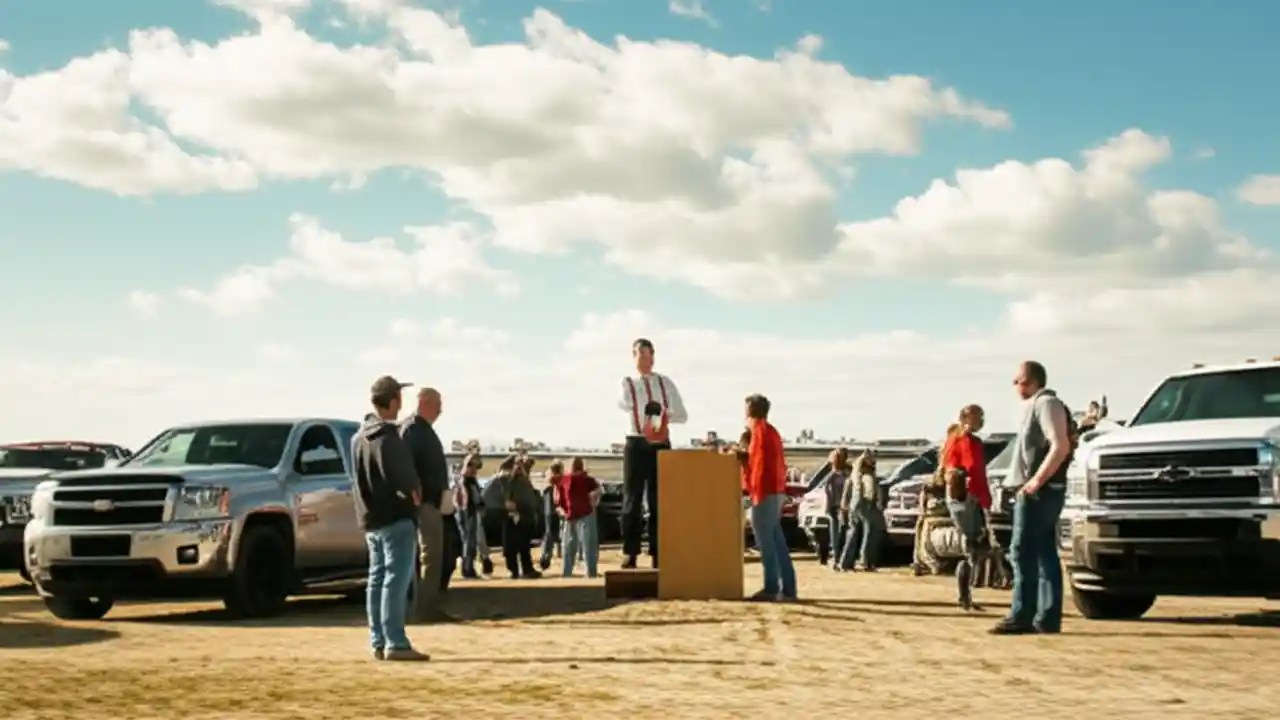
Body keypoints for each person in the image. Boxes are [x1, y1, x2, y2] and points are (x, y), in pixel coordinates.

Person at [991, 361, 1073, 635]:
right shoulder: (1036, 406)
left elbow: (1060, 444)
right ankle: (1046, 617)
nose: (1017, 385)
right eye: (1016, 381)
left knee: (1022, 551)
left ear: (1037, 381)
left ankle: (1022, 614)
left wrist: (1035, 481)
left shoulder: (1046, 403)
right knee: (1043, 551)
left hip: (1038, 491)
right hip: (1041, 489)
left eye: (1022, 380)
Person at [352, 375, 429, 661]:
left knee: (377, 579)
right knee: (396, 580)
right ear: (393, 399)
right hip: (395, 517)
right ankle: (396, 641)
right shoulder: (387, 435)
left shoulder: (359, 437)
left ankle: (378, 640)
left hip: (371, 518)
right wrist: (413, 495)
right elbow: (401, 475)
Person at [617, 338, 688, 569]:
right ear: (633, 356)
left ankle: (659, 551)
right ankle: (630, 551)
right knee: (631, 501)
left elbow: (681, 414)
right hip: (636, 443)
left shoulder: (665, 382)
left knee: (659, 501)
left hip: (659, 442)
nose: (645, 360)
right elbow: (625, 404)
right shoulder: (627, 383)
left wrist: (661, 415)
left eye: (649, 355)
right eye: (640, 355)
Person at [397, 387, 454, 624]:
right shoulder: (412, 430)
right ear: (425, 403)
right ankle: (423, 609)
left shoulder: (423, 430)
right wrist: (414, 493)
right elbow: (404, 464)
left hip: (432, 501)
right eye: (437, 404)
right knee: (429, 556)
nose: (441, 409)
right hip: (423, 504)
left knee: (435, 556)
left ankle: (427, 606)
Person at [743, 393, 797, 602]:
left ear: (750, 410)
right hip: (776, 491)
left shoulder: (758, 431)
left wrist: (748, 484)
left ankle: (772, 587)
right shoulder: (771, 431)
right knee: (777, 541)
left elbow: (758, 466)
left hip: (764, 492)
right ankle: (788, 588)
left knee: (766, 542)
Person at [940, 405, 993, 611]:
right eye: (978, 416)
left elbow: (980, 473)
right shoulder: (957, 440)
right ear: (966, 418)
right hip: (962, 497)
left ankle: (966, 594)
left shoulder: (976, 443)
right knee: (970, 544)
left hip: (974, 497)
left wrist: (985, 500)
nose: (982, 420)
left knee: (976, 546)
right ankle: (964, 595)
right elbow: (950, 467)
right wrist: (955, 476)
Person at [838, 452, 884, 571]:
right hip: (865, 504)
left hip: (856, 505)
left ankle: (846, 562)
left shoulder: (856, 475)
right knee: (869, 533)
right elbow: (871, 493)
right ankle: (866, 561)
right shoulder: (866, 476)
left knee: (853, 533)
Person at [500, 454, 542, 579]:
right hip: (512, 516)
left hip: (525, 516)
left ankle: (527, 569)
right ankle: (513, 570)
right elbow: (506, 492)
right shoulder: (506, 479)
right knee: (511, 546)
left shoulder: (524, 480)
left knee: (524, 546)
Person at [559, 457, 602, 577]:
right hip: (586, 513)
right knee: (589, 545)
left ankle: (567, 572)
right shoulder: (588, 480)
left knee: (568, 546)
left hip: (570, 515)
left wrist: (564, 511)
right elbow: (598, 492)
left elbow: (559, 499)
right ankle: (590, 572)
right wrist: (594, 503)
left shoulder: (565, 480)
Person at [456, 453, 489, 579]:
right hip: (467, 514)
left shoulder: (471, 481)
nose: (475, 469)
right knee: (468, 542)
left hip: (471, 513)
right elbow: (466, 500)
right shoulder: (464, 481)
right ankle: (467, 569)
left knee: (470, 542)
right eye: (473, 466)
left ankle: (469, 568)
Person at [822, 448, 849, 568]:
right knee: (836, 533)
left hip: (839, 506)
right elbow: (828, 491)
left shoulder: (840, 475)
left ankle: (838, 557)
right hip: (836, 507)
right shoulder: (834, 477)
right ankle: (836, 557)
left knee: (839, 532)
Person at [538, 463, 564, 571]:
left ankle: (545, 556)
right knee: (558, 534)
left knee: (549, 535)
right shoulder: (560, 482)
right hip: (557, 511)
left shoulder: (549, 484)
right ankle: (547, 557)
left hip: (549, 512)